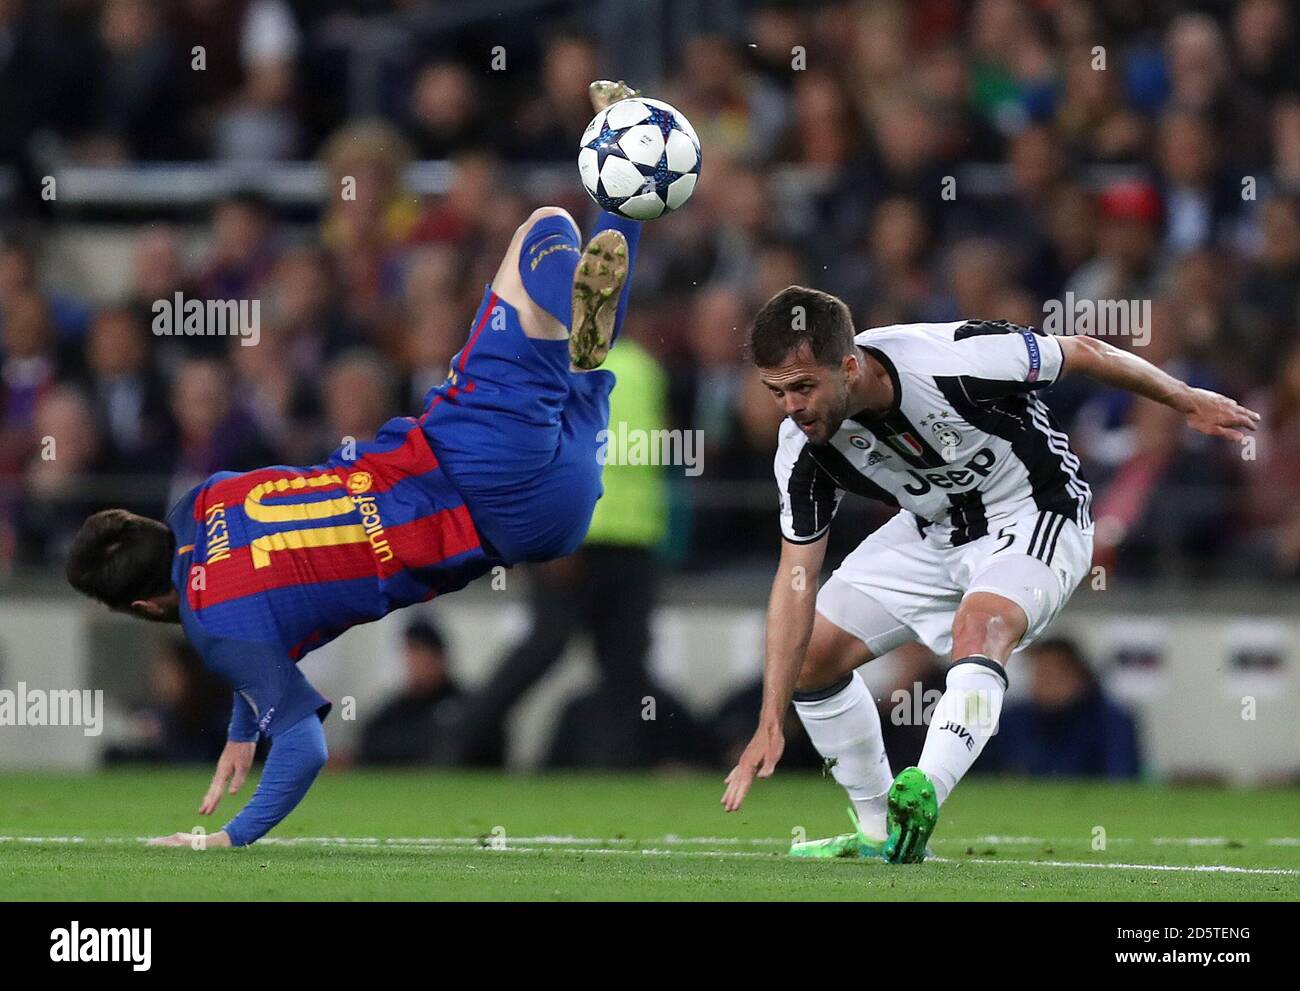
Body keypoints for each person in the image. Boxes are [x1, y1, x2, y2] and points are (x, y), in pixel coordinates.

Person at [63, 80, 649, 849]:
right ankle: (622, 172)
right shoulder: (205, 502)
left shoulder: (216, 629)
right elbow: (250, 603)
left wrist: (224, 836)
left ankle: (609, 246)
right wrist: (248, 716)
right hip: (468, 453)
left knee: (574, 358)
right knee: (542, 231)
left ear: (144, 608)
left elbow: (298, 733)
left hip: (541, 521)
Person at [720, 286, 1258, 863]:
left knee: (981, 626)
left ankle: (925, 791)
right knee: (810, 661)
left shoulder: (954, 359)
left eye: (804, 387)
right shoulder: (799, 449)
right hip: (932, 528)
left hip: (1034, 512)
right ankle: (881, 833)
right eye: (777, 392)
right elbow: (795, 576)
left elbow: (1083, 350)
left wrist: (1184, 399)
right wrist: (770, 716)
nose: (792, 407)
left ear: (849, 366)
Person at [979, 637, 1139, 779]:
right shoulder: (1013, 720)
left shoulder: (1111, 723)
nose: (1042, 683)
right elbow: (979, 773)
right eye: (1038, 674)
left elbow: (1120, 779)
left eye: (1051, 675)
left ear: (1078, 677)